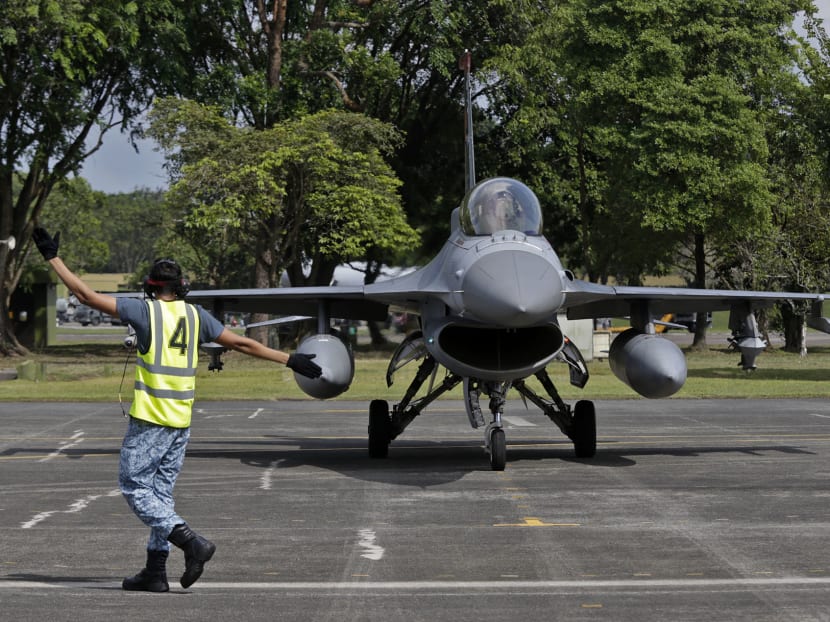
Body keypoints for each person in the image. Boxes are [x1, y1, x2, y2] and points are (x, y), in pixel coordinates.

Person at [32, 228, 323, 593]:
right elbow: (244, 343)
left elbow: (84, 295)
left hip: (151, 418)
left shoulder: (144, 311)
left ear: (151, 286)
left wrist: (52, 257)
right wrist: (289, 359)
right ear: (181, 286)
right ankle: (156, 571)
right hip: (180, 421)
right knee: (160, 493)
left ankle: (191, 542)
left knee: (134, 486)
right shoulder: (196, 315)